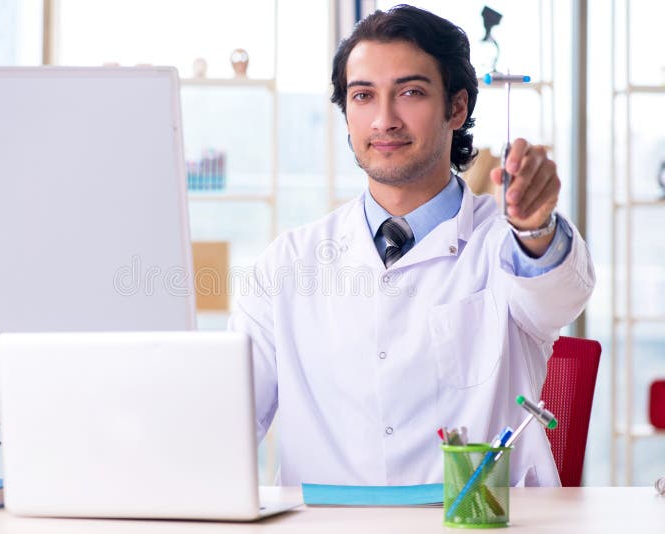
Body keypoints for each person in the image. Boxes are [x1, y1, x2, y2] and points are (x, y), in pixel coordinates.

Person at [228, 4, 594, 487]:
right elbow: (225, 423)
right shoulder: (289, 262)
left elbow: (557, 292)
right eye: (363, 96)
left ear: (456, 108)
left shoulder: (502, 242)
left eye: (411, 92)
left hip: (474, 523)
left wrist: (534, 228)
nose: (384, 119)